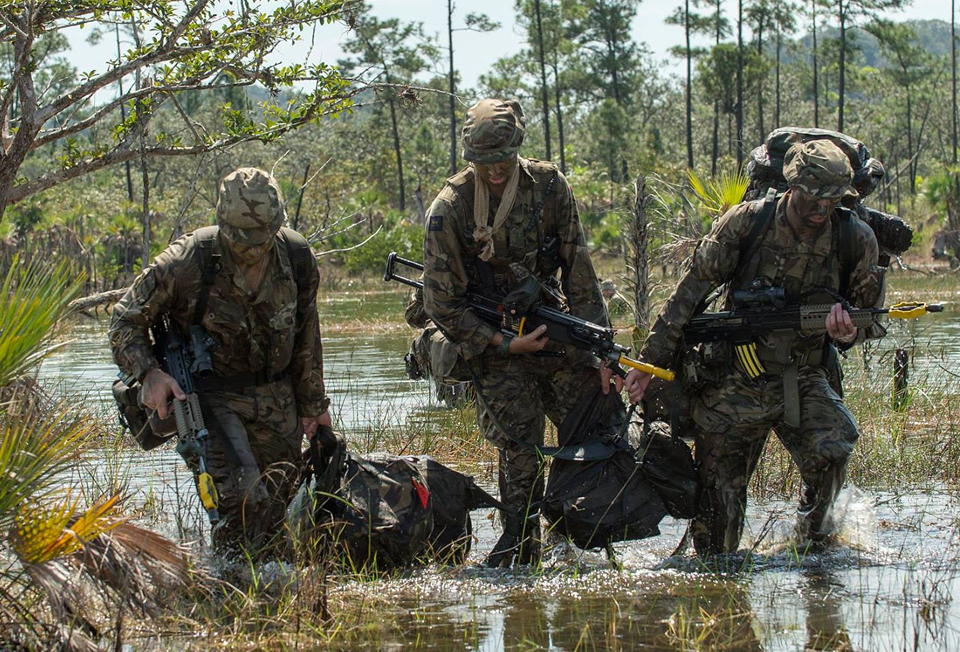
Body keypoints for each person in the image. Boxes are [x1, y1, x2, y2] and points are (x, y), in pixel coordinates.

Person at [624, 140, 885, 555]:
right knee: (716, 535)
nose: (822, 210)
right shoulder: (746, 223)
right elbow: (687, 295)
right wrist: (648, 362)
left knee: (834, 448)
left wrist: (848, 332)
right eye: (814, 200)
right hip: (734, 380)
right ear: (792, 185)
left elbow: (872, 318)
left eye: (832, 201)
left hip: (804, 375)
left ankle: (813, 539)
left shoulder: (855, 238)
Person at [422, 98, 617, 567]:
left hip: (549, 327)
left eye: (503, 160)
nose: (494, 171)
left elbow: (580, 272)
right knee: (522, 443)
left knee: (592, 417)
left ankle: (575, 533)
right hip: (491, 340)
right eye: (483, 162)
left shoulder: (550, 187)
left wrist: (599, 349)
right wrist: (503, 343)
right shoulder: (450, 209)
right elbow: (441, 305)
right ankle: (518, 546)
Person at [109, 167, 332, 554]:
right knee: (242, 503)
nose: (250, 248)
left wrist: (314, 407)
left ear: (278, 223)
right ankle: (229, 594)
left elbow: (306, 337)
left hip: (277, 397)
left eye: (260, 239)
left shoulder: (296, 257)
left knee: (280, 515)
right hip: (212, 400)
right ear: (221, 222)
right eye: (240, 239)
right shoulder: (188, 260)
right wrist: (150, 373)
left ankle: (273, 599)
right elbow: (125, 319)